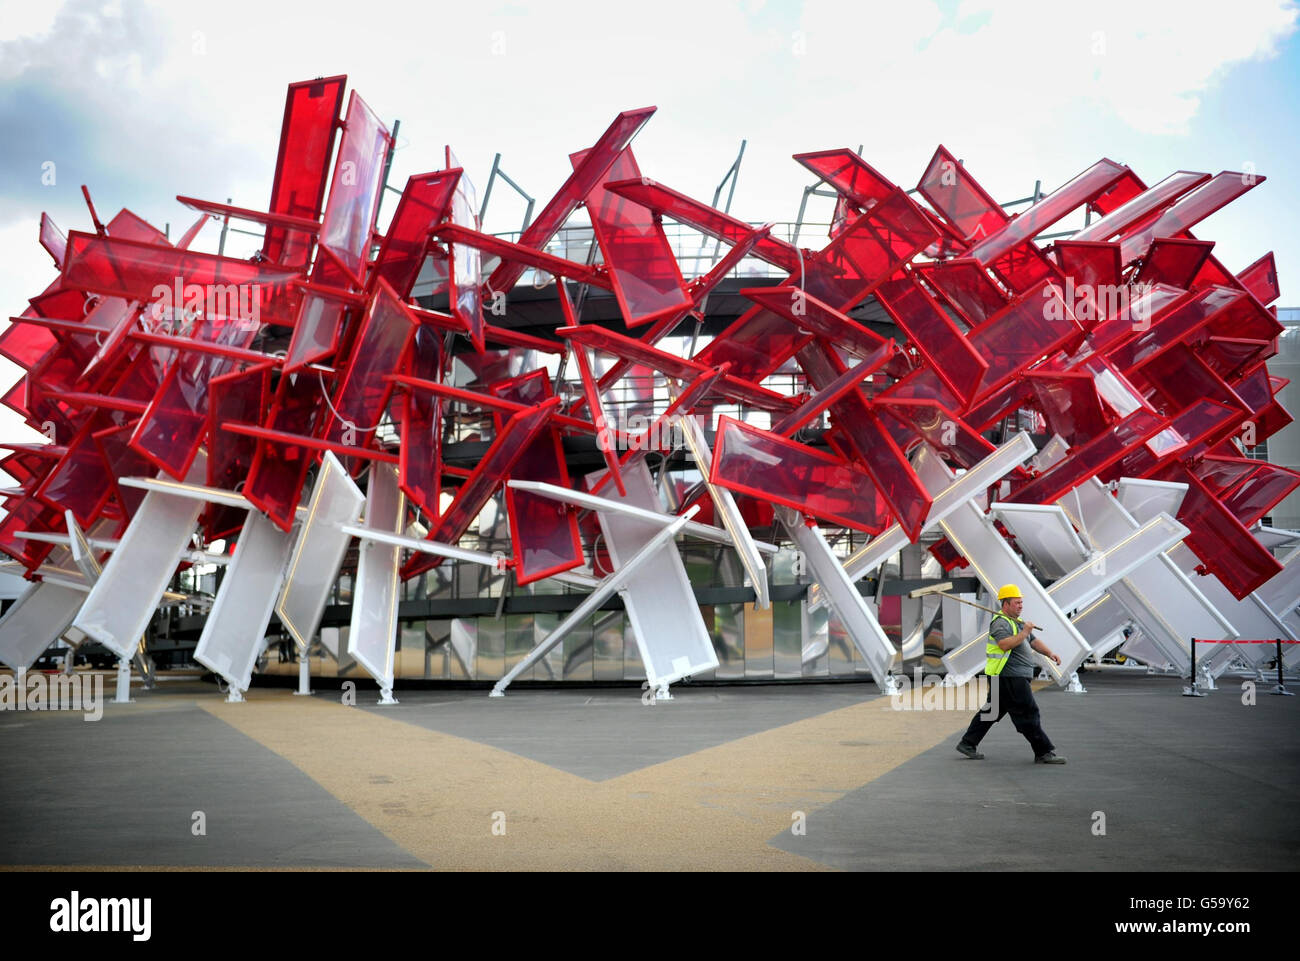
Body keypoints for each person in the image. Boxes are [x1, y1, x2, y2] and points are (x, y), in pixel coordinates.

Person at [956, 584, 1067, 764]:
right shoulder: (1001, 622)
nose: (1021, 606)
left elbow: (1033, 641)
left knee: (991, 712)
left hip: (1006, 678)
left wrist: (1050, 653)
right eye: (1017, 603)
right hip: (1010, 677)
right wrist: (1024, 632)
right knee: (1028, 713)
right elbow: (1004, 645)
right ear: (1005, 604)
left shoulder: (1016, 622)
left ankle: (967, 743)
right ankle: (1043, 751)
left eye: (1021, 602)